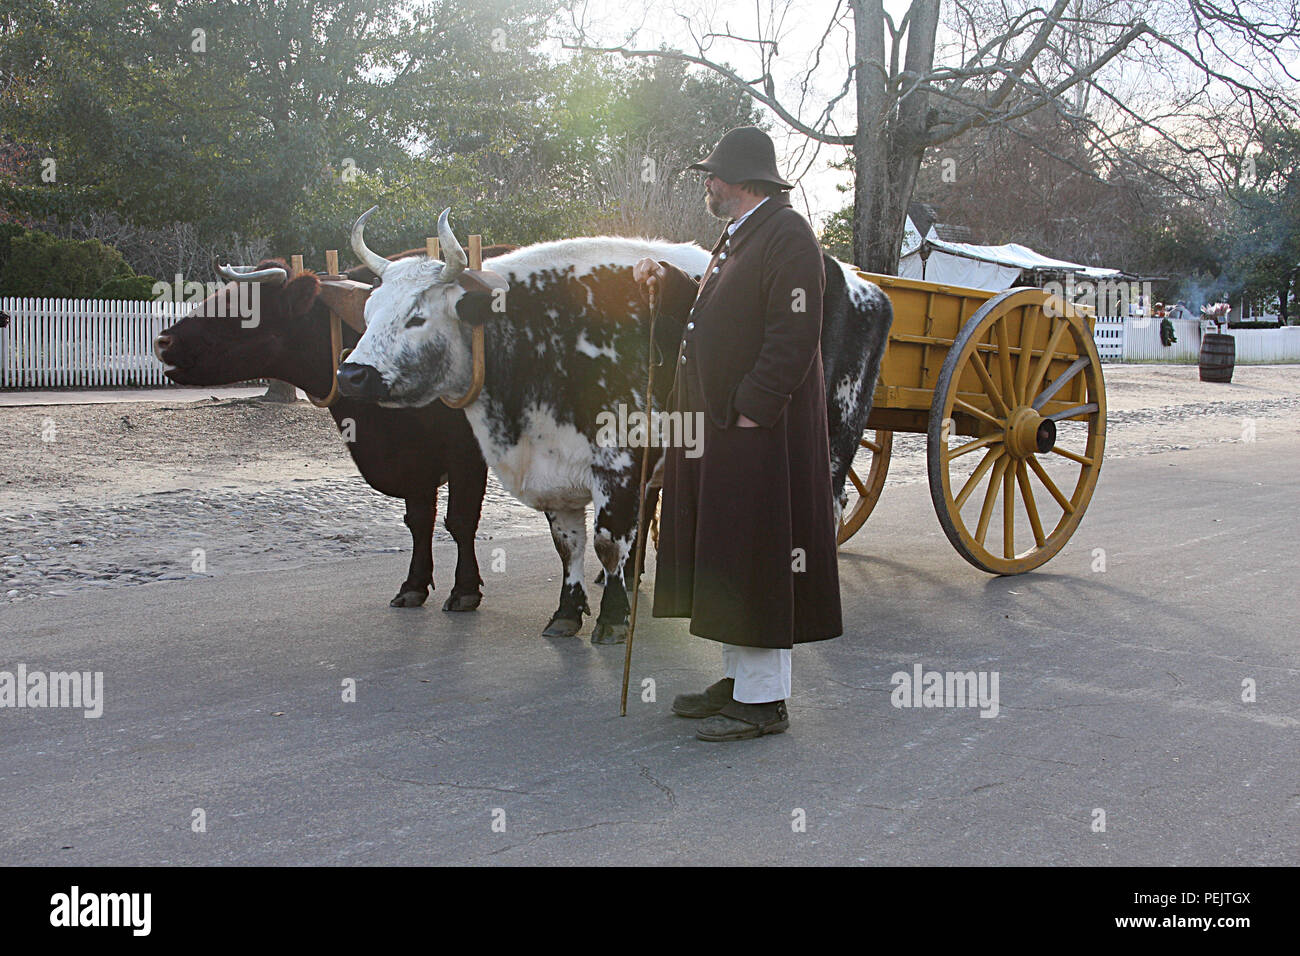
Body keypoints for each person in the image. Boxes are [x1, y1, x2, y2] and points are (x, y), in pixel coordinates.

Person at [633, 126, 842, 743]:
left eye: (714, 174)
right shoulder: (741, 234)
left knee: (755, 555)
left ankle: (765, 700)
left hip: (757, 432)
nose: (708, 183)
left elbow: (794, 333)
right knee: (727, 552)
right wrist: (668, 286)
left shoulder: (788, 235)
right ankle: (738, 683)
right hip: (721, 427)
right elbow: (714, 315)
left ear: (742, 179)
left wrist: (754, 408)